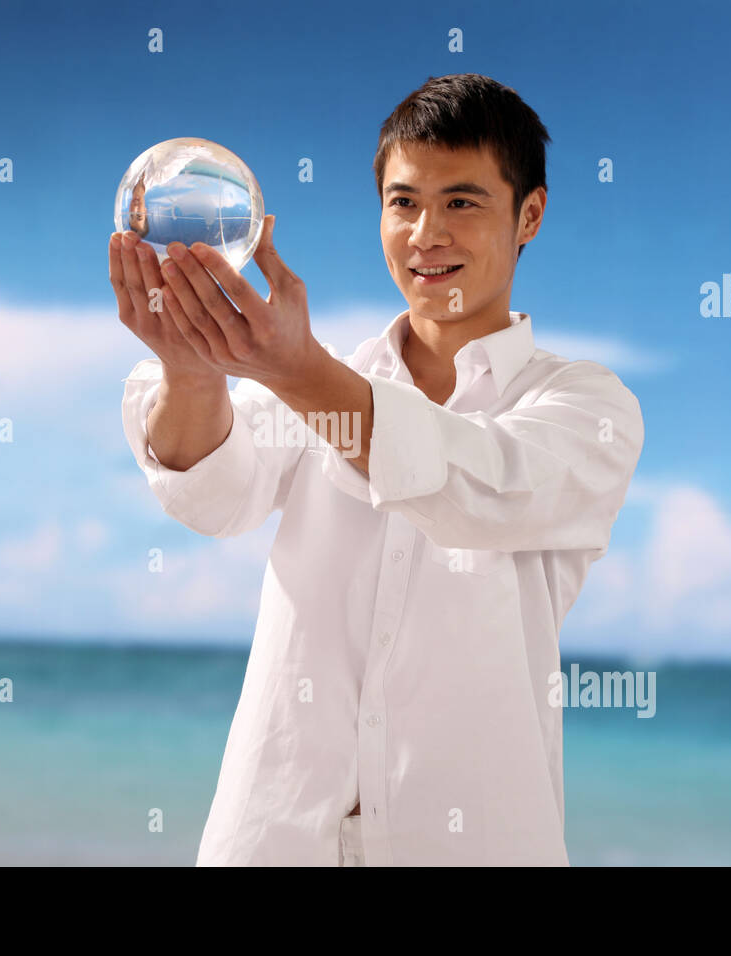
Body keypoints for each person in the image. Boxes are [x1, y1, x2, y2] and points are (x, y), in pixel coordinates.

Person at [110, 73, 644, 865]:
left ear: (528, 214)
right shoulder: (325, 372)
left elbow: (478, 491)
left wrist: (290, 369)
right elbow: (213, 493)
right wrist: (193, 373)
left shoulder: (585, 405)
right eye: (403, 203)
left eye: (462, 202)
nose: (427, 233)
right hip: (273, 838)